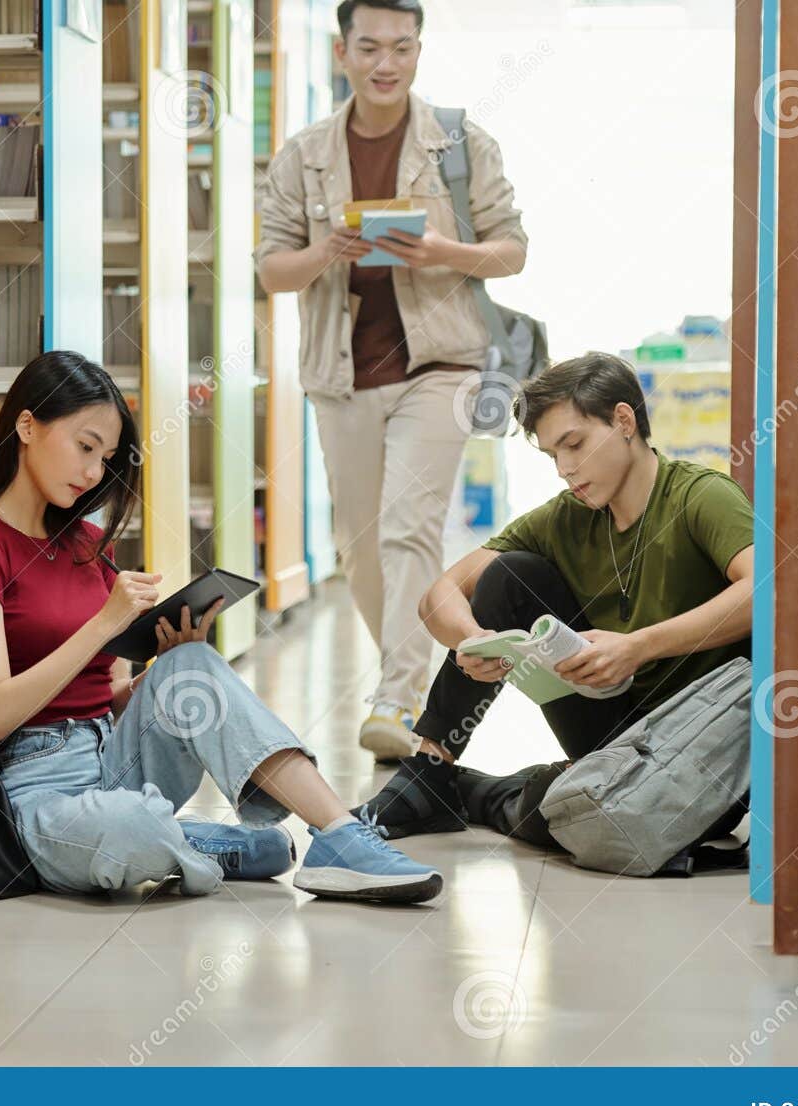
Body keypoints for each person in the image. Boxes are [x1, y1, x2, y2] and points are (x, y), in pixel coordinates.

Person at [0, 350, 443, 904]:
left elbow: (102, 698)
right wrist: (104, 626)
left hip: (111, 757)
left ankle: (341, 837)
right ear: (27, 425)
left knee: (191, 665)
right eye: (85, 447)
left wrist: (165, 671)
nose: (93, 472)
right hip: (34, 787)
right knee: (133, 828)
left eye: (106, 457)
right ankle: (188, 840)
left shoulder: (85, 544)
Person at [255, 0, 528, 762]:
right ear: (342, 51)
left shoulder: (459, 142)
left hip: (443, 362)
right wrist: (325, 254)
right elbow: (270, 267)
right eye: (370, 48)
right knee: (360, 547)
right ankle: (406, 679)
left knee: (409, 524)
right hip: (341, 374)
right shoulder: (304, 153)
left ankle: (397, 694)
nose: (386, 64)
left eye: (402, 48)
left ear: (419, 50)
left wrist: (442, 249)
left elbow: (512, 250)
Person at [354, 352, 755, 844]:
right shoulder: (566, 517)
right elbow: (439, 597)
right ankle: (429, 772)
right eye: (553, 456)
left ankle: (474, 792)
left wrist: (639, 646)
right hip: (612, 733)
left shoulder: (699, 496)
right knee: (509, 575)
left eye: (575, 444)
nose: (565, 468)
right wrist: (478, 643)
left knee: (571, 817)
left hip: (699, 757)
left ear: (624, 421)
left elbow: (766, 590)